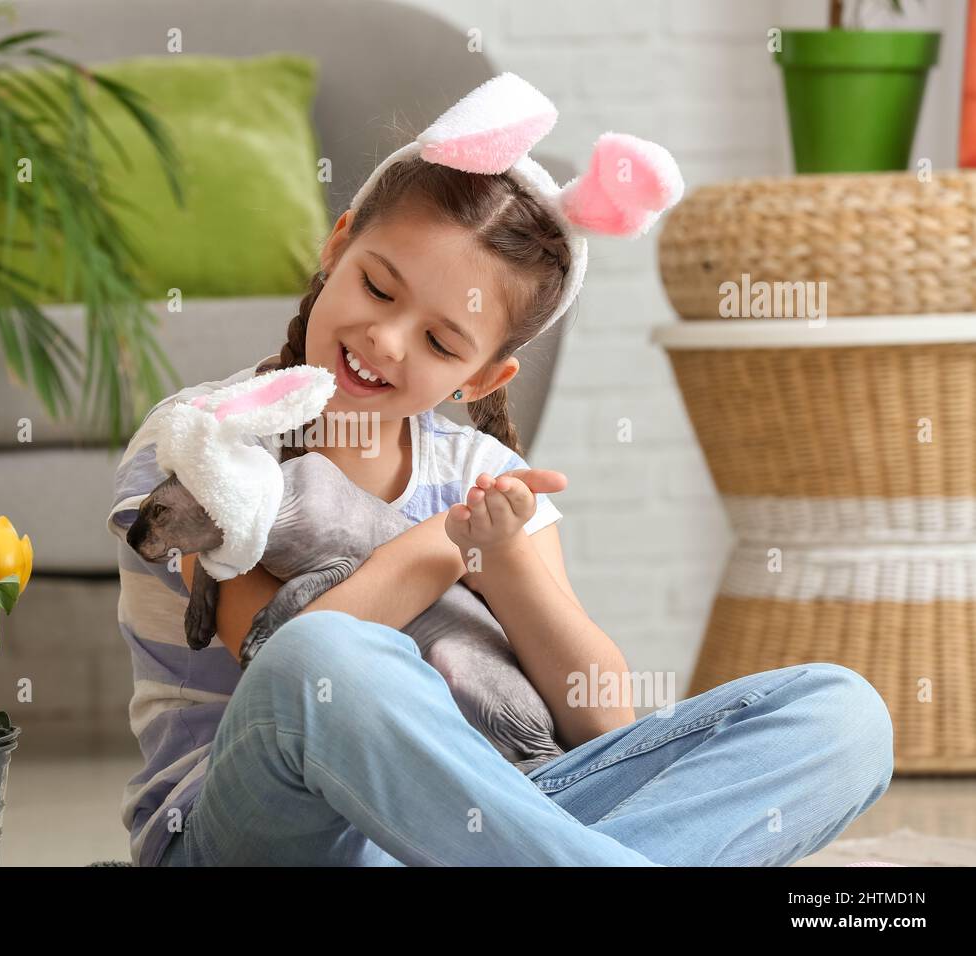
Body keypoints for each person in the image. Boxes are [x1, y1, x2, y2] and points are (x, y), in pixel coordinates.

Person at [107, 73, 894, 866]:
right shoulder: (211, 443)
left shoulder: (484, 472)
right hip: (266, 834)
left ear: (481, 380)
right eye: (379, 287)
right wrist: (442, 546)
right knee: (328, 656)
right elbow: (289, 672)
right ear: (337, 244)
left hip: (499, 827)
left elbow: (601, 724)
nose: (387, 340)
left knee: (843, 713)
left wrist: (506, 563)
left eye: (442, 343)